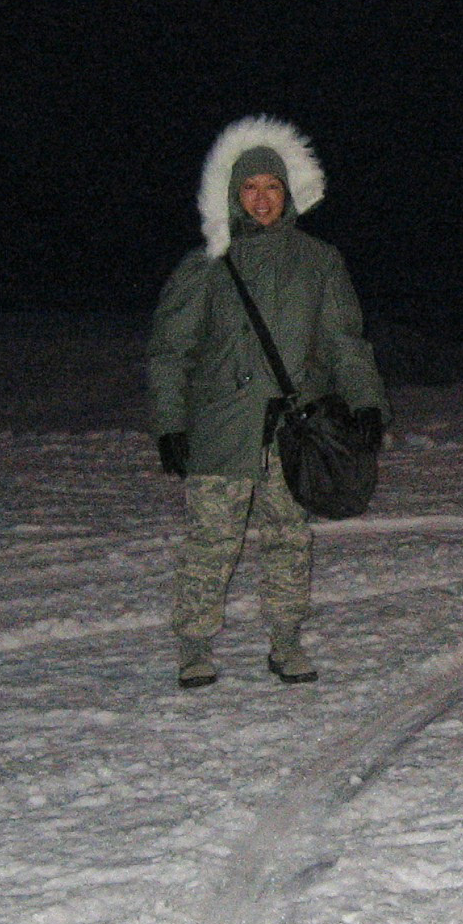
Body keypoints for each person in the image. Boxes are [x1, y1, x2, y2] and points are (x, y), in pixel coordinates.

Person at [148, 117, 388, 689]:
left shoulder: (319, 261)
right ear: (234, 193)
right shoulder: (206, 264)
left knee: (288, 537)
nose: (262, 198)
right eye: (250, 187)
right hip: (220, 429)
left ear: (288, 193)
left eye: (272, 187)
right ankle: (194, 647)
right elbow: (169, 352)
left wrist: (367, 402)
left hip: (293, 428)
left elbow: (343, 340)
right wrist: (170, 423)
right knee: (212, 541)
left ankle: (285, 641)